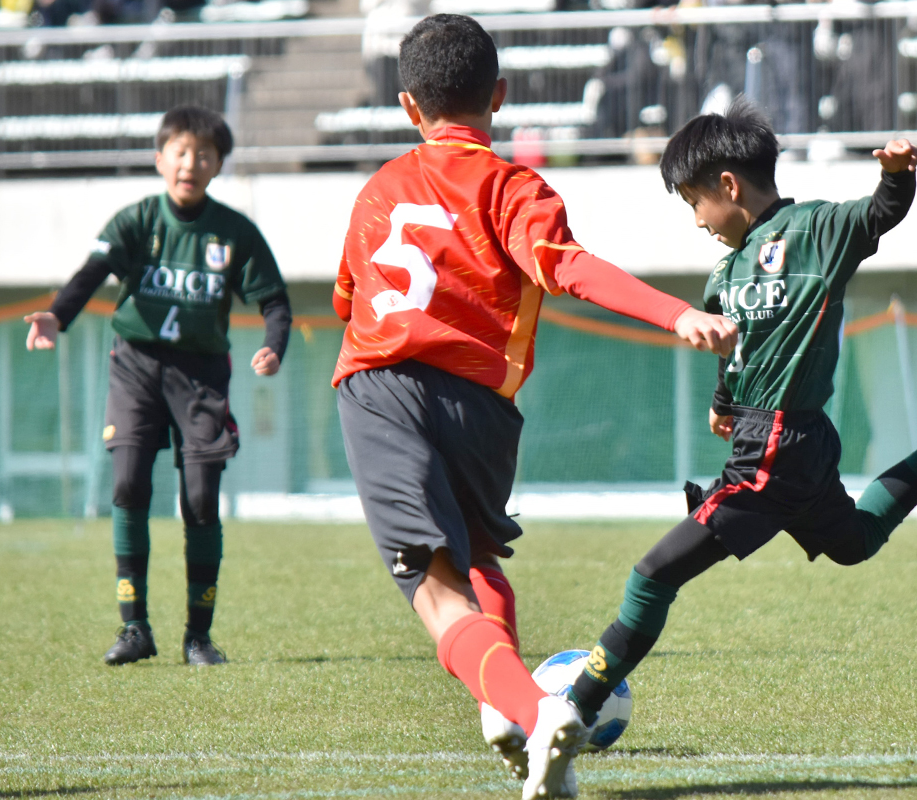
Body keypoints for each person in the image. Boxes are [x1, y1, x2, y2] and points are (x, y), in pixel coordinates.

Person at [330, 14, 736, 800]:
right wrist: (677, 313)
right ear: (501, 97)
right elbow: (571, 268)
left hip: (382, 388)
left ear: (409, 107)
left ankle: (535, 709)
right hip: (482, 405)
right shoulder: (516, 187)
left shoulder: (380, 190)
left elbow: (351, 299)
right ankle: (504, 714)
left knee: (438, 593)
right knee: (478, 563)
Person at [558, 99, 917, 782]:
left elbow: (878, 215)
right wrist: (724, 402)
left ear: (727, 186)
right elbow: (732, 346)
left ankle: (569, 711)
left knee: (651, 576)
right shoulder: (726, 273)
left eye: (694, 202)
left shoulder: (815, 229)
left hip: (779, 445)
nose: (695, 220)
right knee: (855, 541)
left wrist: (898, 174)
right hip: (776, 439)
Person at [24, 105, 291, 668]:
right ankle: (134, 628)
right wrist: (57, 316)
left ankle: (198, 637)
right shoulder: (136, 221)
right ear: (160, 158)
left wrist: (273, 344)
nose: (190, 163)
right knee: (127, 485)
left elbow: (275, 301)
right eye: (180, 151)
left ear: (218, 166)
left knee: (199, 500)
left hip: (201, 375)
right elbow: (90, 275)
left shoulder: (234, 232)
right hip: (136, 366)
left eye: (203, 154)